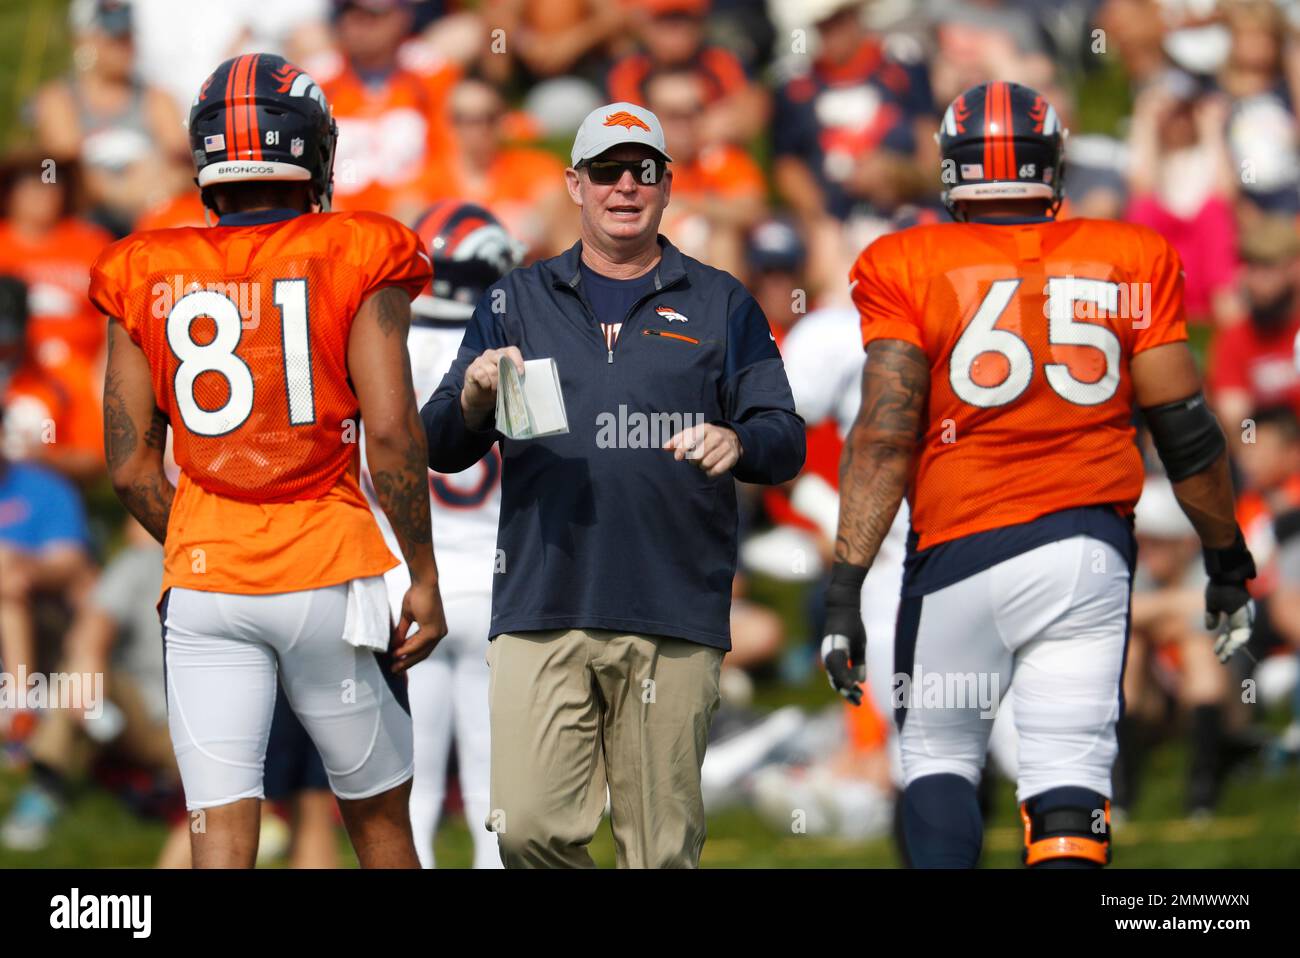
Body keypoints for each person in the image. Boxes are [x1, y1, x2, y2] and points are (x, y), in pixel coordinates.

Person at [823, 81, 1257, 869]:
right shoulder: (1132, 256)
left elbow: (885, 437)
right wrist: (1227, 558)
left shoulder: (905, 260)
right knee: (1068, 774)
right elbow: (1187, 432)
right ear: (1054, 164)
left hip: (960, 548)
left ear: (951, 168)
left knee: (938, 757)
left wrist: (845, 585)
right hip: (1087, 548)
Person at [422, 101, 805, 868]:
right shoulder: (513, 300)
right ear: (574, 183)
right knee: (525, 829)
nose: (625, 185)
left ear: (668, 185)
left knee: (658, 853)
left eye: (644, 170)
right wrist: (471, 394)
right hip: (541, 602)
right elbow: (438, 444)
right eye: (606, 170)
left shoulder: (722, 301)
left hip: (672, 606)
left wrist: (737, 436)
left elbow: (785, 437)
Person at [88, 53, 447, 868]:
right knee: (382, 826)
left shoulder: (141, 266)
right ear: (314, 150)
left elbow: (129, 466)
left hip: (207, 582)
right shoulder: (359, 247)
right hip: (328, 568)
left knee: (219, 835)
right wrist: (420, 574)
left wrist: (192, 541)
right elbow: (390, 430)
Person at [362, 199, 523, 869]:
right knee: (497, 792)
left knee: (410, 789)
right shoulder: (514, 351)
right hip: (495, 583)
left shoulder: (377, 344)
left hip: (403, 584)